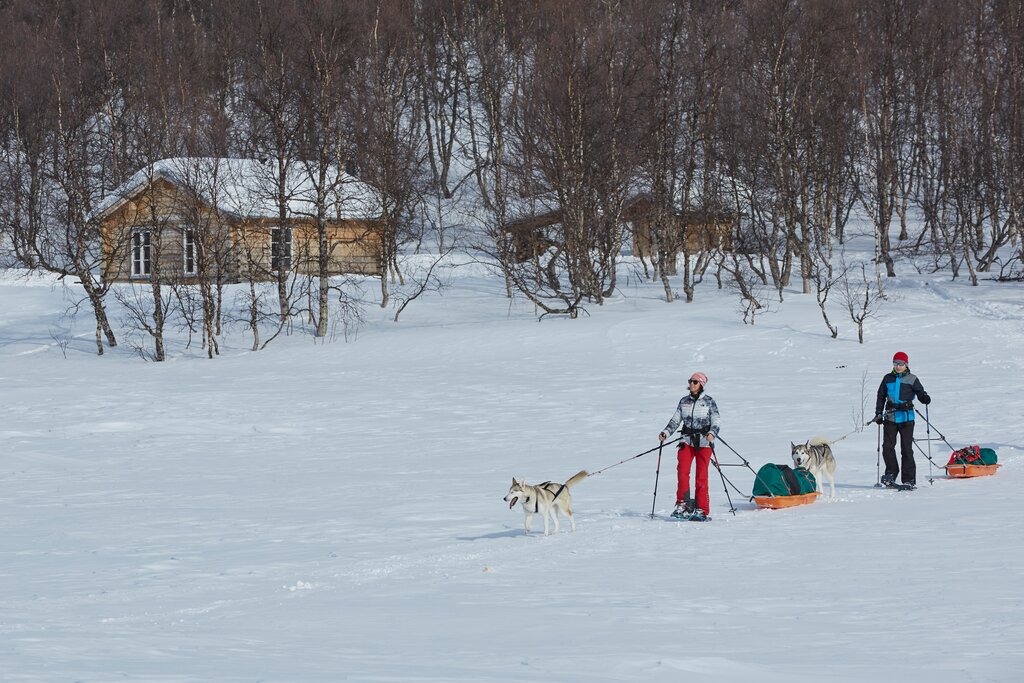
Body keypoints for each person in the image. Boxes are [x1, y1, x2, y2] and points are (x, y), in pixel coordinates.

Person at [658, 372, 721, 520]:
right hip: (686, 440)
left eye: (695, 382)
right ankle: (683, 504)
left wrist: (712, 433)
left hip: (704, 443)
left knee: (701, 476)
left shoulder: (709, 401)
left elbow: (716, 421)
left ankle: (701, 509)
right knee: (682, 472)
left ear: (701, 384)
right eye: (690, 381)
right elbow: (675, 420)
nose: (691, 384)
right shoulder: (684, 401)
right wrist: (665, 433)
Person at [873, 351, 931, 488]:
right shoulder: (887, 378)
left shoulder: (912, 378)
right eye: (895, 363)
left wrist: (924, 398)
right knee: (887, 447)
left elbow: (920, 392)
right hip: (890, 417)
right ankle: (891, 474)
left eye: (901, 364)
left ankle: (909, 479)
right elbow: (881, 396)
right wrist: (878, 413)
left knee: (906, 449)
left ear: (906, 364)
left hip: (906, 418)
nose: (898, 366)